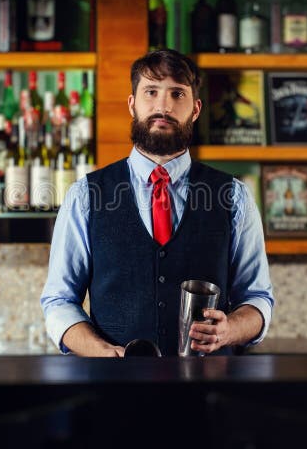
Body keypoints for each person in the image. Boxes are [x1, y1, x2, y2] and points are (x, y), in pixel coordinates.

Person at [40, 49, 274, 357]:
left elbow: (257, 298)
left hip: (209, 381)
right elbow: (59, 300)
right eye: (151, 92)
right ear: (132, 104)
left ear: (196, 109)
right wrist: (101, 351)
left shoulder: (235, 196)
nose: (163, 106)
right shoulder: (85, 195)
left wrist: (230, 329)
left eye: (177, 94)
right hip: (113, 382)